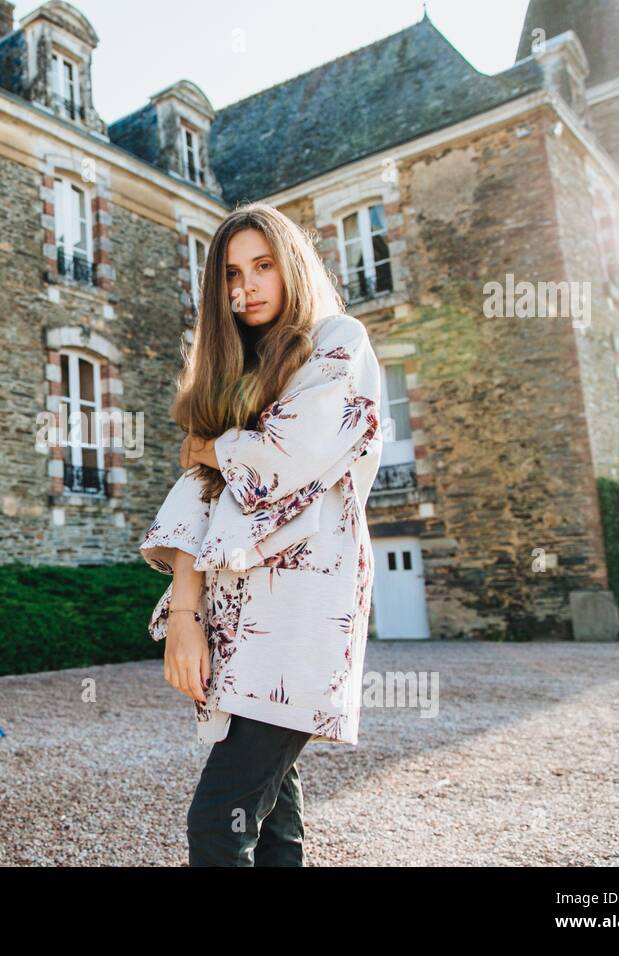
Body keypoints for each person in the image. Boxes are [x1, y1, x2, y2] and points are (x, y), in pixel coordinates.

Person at [138, 201, 384, 866]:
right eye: (230, 275)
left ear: (292, 266)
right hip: (233, 611)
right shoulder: (235, 374)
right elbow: (198, 493)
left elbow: (286, 455)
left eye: (262, 266)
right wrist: (185, 612)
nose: (244, 286)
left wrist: (212, 445)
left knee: (218, 824)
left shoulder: (339, 342)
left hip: (305, 609)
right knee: (271, 818)